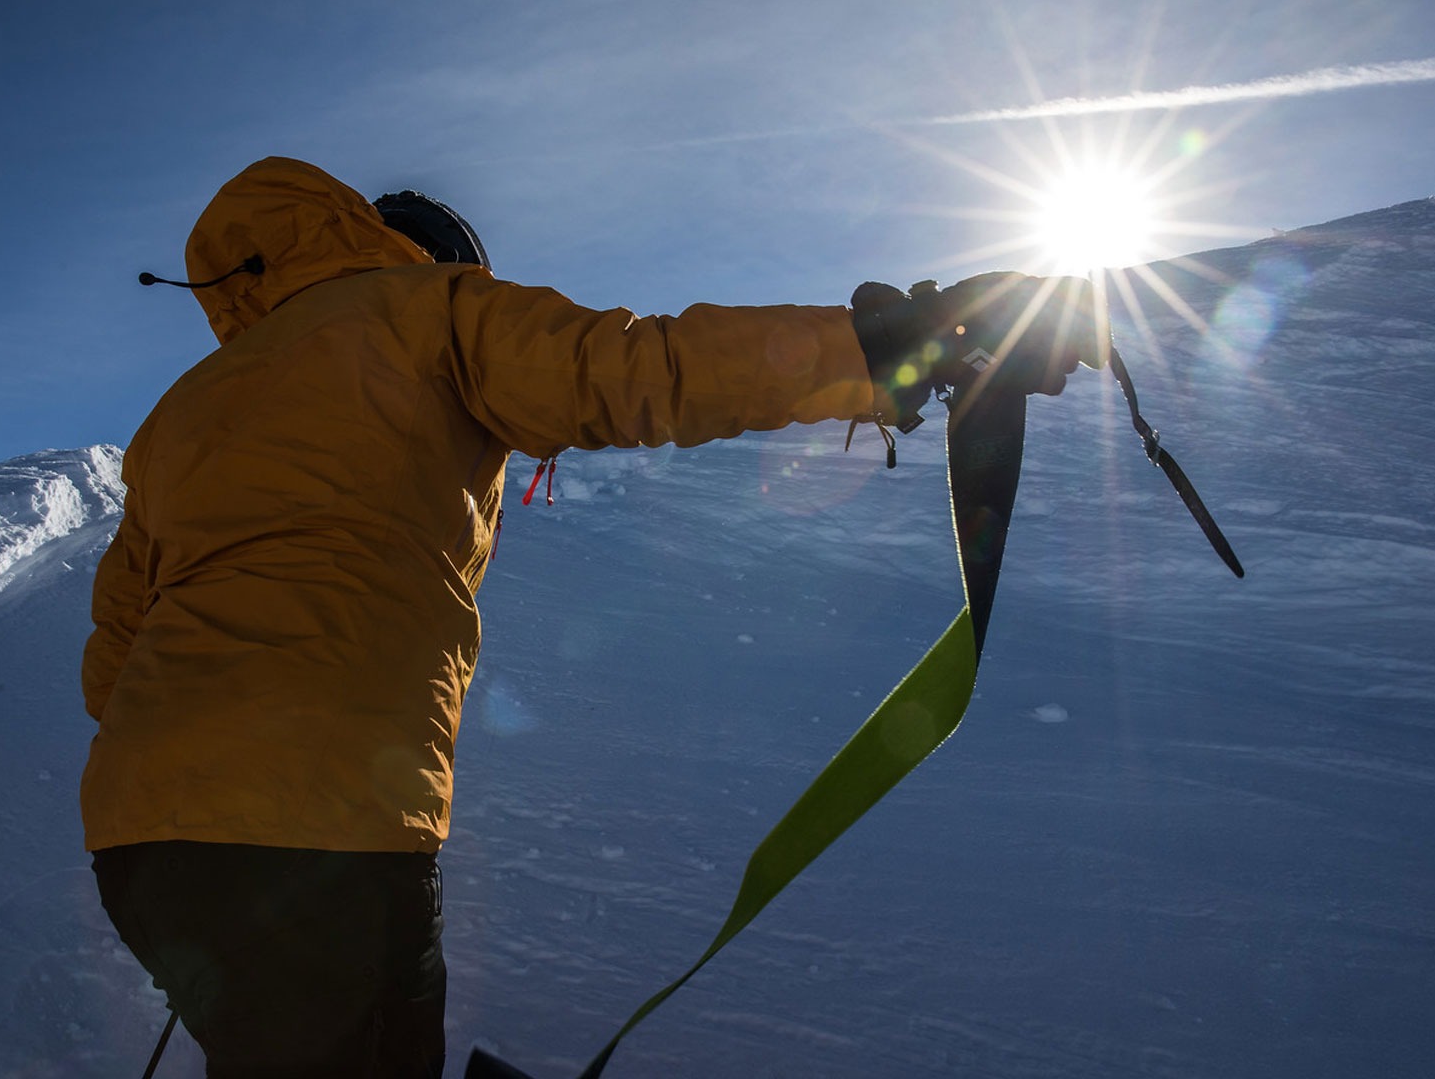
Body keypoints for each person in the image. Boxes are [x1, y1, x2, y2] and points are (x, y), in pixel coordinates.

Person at [81, 156, 1102, 1077]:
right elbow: (632, 369)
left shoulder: (182, 412)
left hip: (139, 844)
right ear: (427, 256)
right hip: (320, 819)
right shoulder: (427, 308)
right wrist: (886, 349)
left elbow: (110, 665)